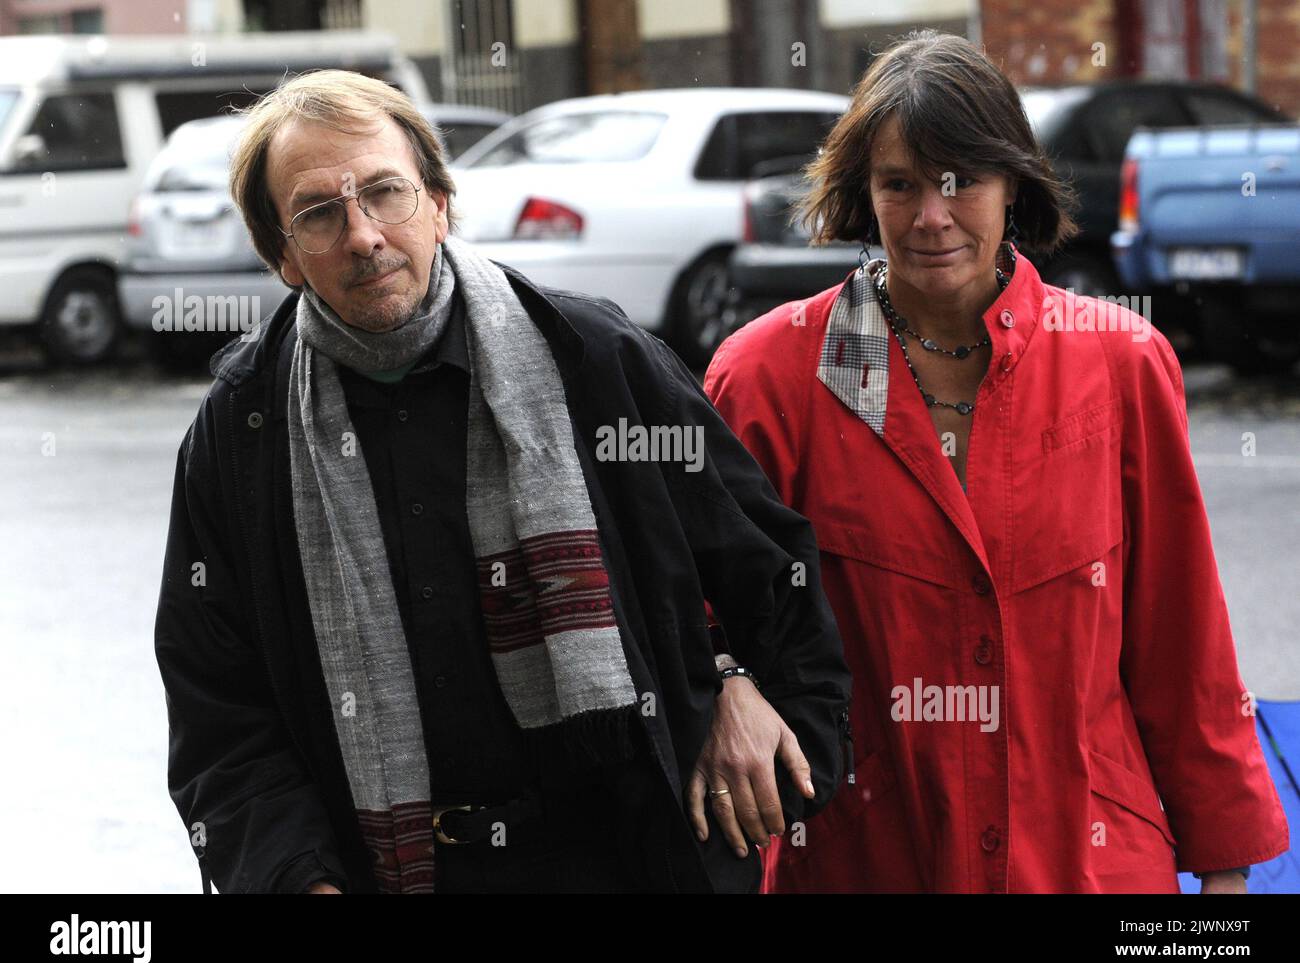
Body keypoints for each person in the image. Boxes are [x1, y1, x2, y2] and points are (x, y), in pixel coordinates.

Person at [153, 70, 851, 894]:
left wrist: (747, 696)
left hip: (627, 863)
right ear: (282, 257)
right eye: (319, 213)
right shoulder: (242, 433)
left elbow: (773, 581)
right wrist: (294, 879)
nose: (365, 236)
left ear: (440, 203)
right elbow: (222, 717)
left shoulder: (594, 361)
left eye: (386, 194)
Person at [703, 30, 1288, 893]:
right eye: (900, 185)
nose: (931, 217)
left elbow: (1182, 641)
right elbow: (703, 617)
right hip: (867, 858)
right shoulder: (770, 378)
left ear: (1014, 182)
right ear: (865, 193)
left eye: (960, 181)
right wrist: (725, 684)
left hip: (1092, 865)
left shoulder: (1120, 364)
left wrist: (1226, 877)